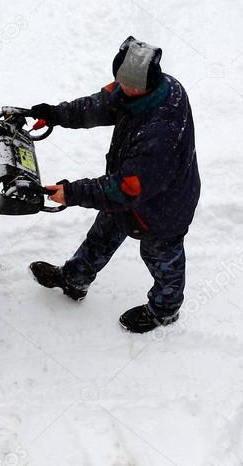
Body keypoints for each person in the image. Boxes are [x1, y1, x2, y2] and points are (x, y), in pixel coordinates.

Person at [28, 37, 200, 333]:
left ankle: (164, 309)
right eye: (118, 81)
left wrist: (71, 193)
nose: (120, 89)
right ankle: (74, 279)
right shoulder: (142, 88)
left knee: (161, 258)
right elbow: (100, 105)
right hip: (131, 191)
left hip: (163, 206)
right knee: (101, 235)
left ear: (147, 82)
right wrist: (56, 114)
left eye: (126, 84)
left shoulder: (161, 131)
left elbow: (124, 188)